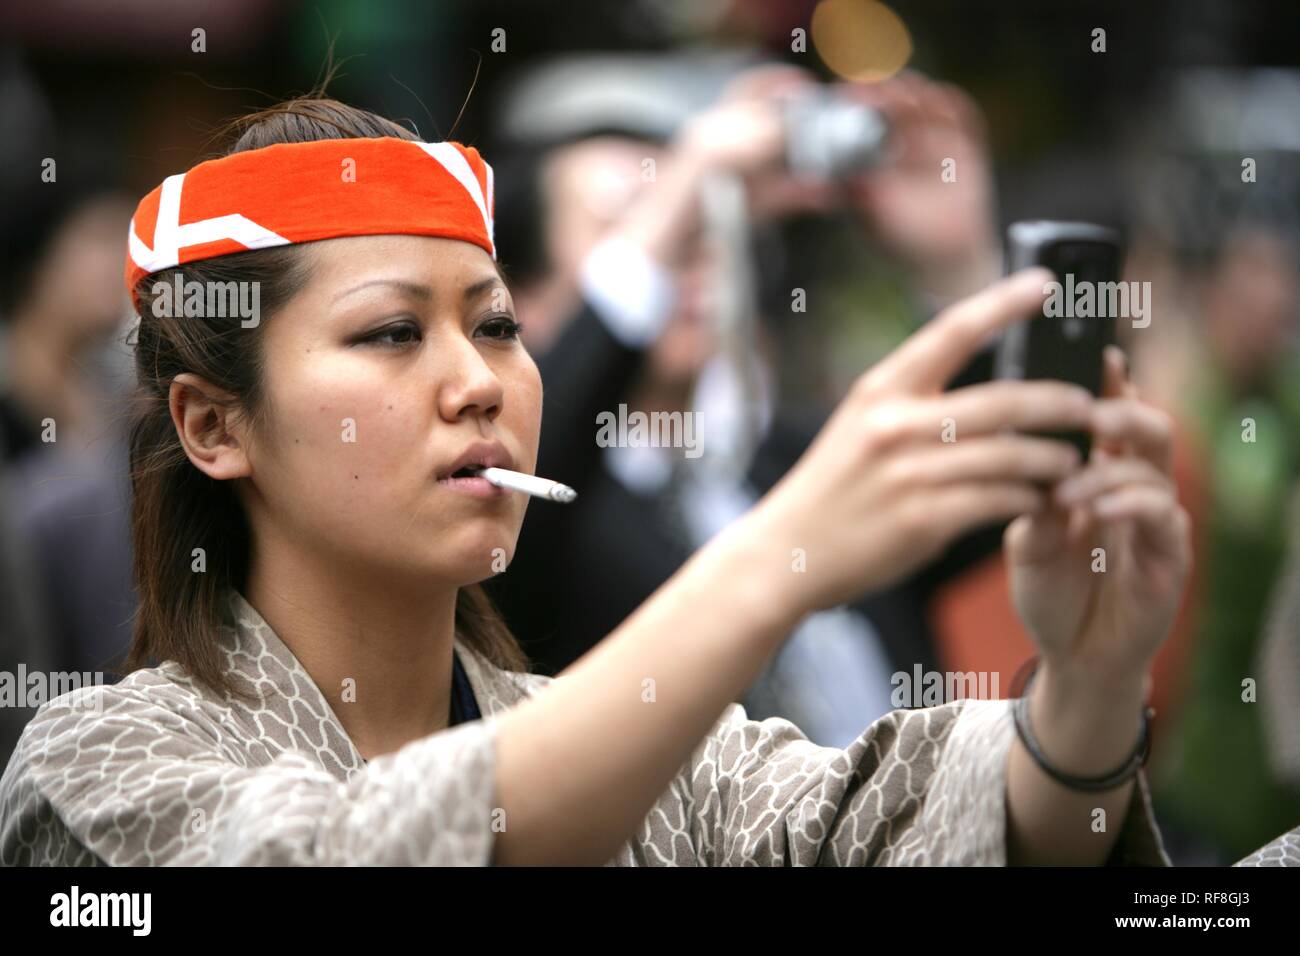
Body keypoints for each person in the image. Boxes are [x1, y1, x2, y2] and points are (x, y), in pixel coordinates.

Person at [0, 96, 1188, 866]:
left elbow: (949, 828)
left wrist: (1089, 674)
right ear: (215, 424)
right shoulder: (97, 768)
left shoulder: (673, 765)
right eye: (390, 334)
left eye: (500, 324)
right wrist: (775, 564)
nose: (480, 382)